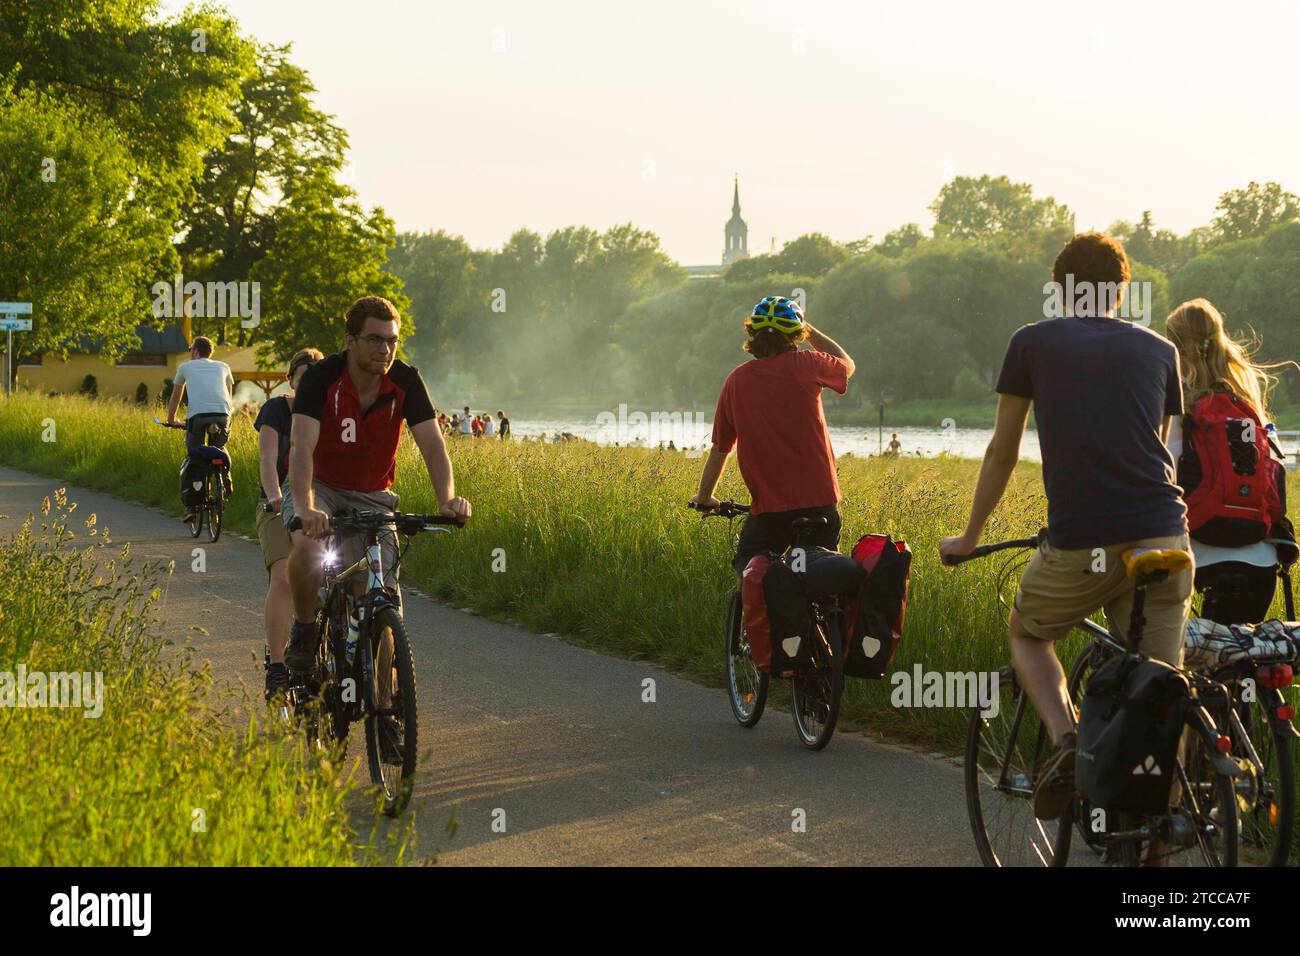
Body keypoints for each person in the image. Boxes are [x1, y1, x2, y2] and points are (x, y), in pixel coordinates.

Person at [939, 232, 1192, 836]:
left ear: (1058, 289)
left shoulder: (1031, 342)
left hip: (1085, 540)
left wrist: (970, 536)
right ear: (1121, 291)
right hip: (1166, 537)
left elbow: (1003, 450)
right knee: (1160, 690)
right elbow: (1157, 451)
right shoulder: (1161, 351)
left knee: (1027, 633)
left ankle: (1068, 742)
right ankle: (1162, 837)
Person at [282, 296, 472, 744]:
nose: (385, 350)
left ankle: (385, 712)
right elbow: (302, 449)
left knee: (383, 600)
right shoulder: (322, 379)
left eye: (392, 341)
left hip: (374, 496)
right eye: (374, 340)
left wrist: (448, 498)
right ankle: (306, 630)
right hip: (320, 486)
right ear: (350, 340)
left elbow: (432, 446)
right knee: (308, 550)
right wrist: (307, 507)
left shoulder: (405, 381)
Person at [690, 295, 855, 574]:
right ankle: (829, 616)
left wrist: (705, 496)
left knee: (750, 569)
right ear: (796, 335)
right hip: (821, 504)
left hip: (770, 512)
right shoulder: (809, 364)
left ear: (752, 335)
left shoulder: (736, 381)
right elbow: (846, 365)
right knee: (820, 574)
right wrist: (809, 330)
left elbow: (721, 448)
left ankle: (754, 617)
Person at [1164, 298, 1297, 624]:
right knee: (1240, 664)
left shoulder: (1177, 405)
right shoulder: (1248, 405)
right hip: (1262, 560)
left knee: (1176, 660)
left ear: (1176, 347)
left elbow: (1159, 475)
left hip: (1200, 559)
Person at [253, 347, 324, 700]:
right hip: (277, 504)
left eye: (316, 372)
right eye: (303, 373)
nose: (309, 378)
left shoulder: (331, 410)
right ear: (291, 379)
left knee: (334, 573)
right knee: (283, 575)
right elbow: (267, 459)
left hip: (321, 504)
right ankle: (278, 666)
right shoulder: (276, 409)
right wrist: (273, 494)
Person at [166, 335, 235, 522]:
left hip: (198, 416)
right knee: (219, 449)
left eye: (190, 350)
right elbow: (229, 397)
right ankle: (225, 479)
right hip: (223, 415)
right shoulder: (224, 367)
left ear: (195, 351)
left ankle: (192, 507)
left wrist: (171, 419)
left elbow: (175, 397)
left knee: (195, 454)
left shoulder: (185, 367)